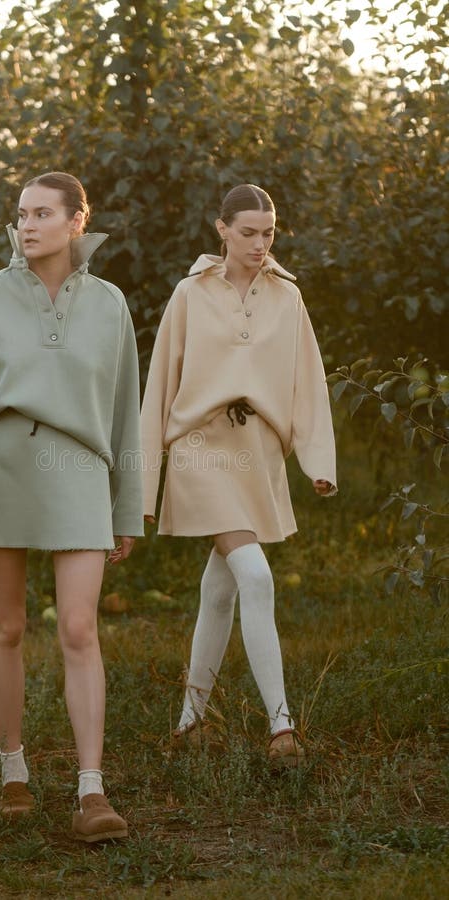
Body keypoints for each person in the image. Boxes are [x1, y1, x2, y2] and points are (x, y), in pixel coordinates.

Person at [0, 171, 143, 841]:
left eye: (41, 214)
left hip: (80, 473)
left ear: (76, 221)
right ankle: (13, 770)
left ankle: (92, 791)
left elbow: (126, 412)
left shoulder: (110, 303)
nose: (26, 225)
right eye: (21, 214)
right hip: (1, 473)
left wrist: (127, 507)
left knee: (80, 630)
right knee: (7, 627)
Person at [141, 184, 337, 766]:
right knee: (255, 575)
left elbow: (308, 381)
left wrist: (317, 461)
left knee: (220, 588)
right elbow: (160, 385)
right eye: (247, 232)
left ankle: (190, 722)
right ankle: (282, 727)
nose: (259, 244)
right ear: (221, 229)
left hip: (258, 453)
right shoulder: (190, 293)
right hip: (198, 447)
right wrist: (143, 485)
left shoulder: (287, 297)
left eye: (268, 233)